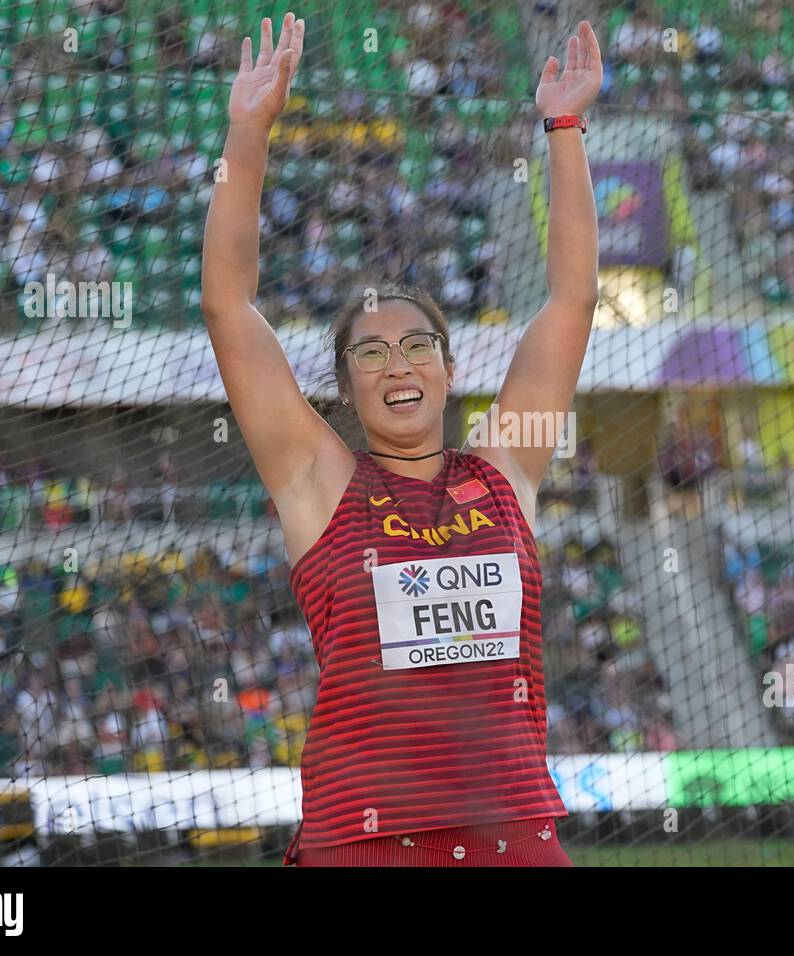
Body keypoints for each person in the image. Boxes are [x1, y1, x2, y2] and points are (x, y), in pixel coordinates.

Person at [201, 13, 602, 866]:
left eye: (418, 343)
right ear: (345, 389)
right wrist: (248, 133)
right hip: (367, 836)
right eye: (371, 352)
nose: (398, 362)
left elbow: (569, 303)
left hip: (511, 832)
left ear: (449, 370)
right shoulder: (318, 480)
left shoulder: (506, 470)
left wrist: (564, 128)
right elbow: (229, 308)